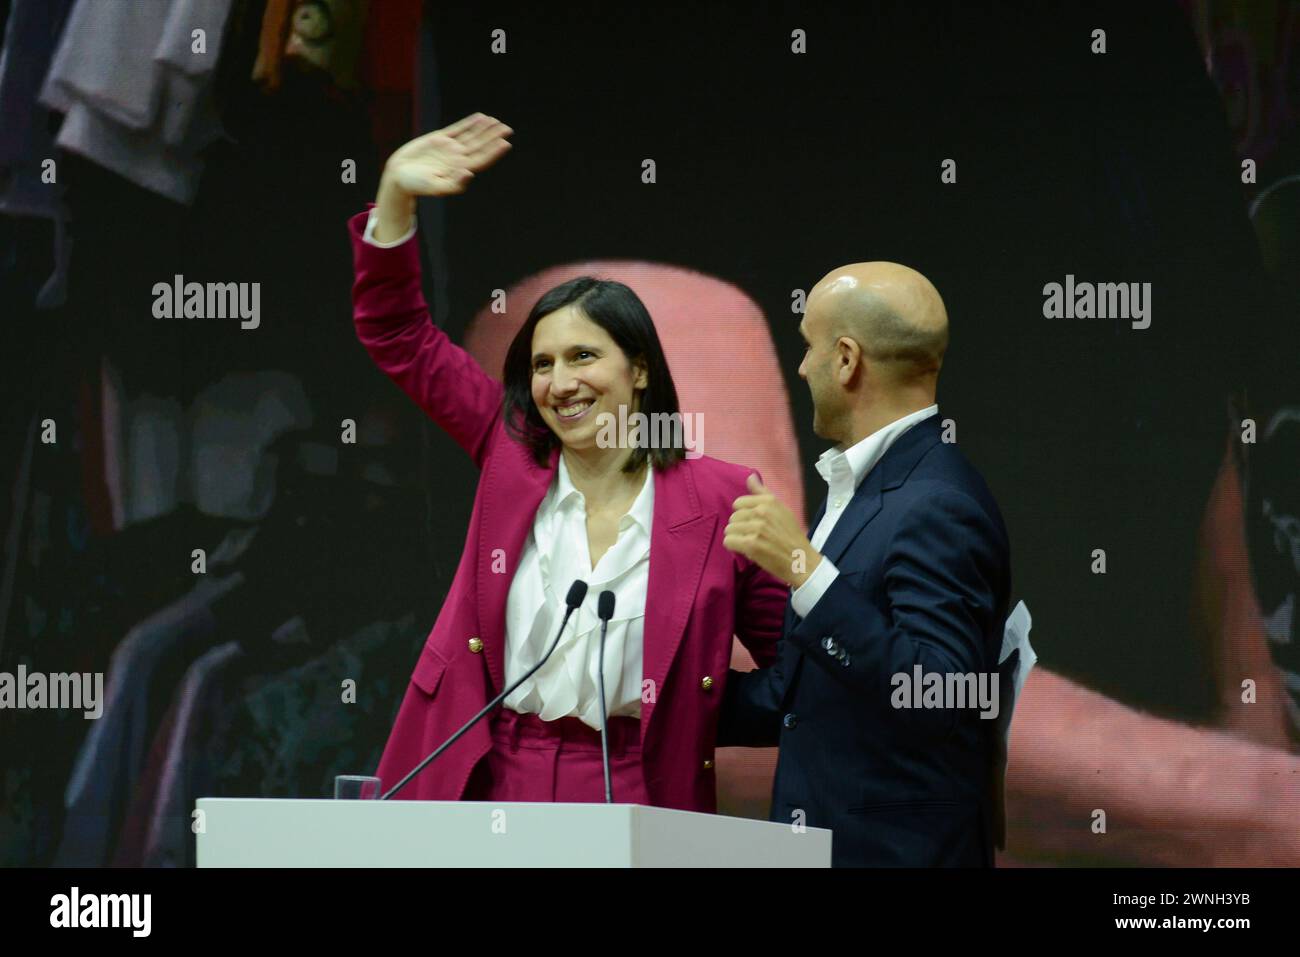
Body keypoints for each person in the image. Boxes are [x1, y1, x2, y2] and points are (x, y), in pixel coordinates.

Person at [352, 113, 787, 810]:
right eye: (543, 364)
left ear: (639, 368)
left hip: (641, 782)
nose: (560, 382)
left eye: (583, 356)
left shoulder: (725, 498)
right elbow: (397, 331)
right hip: (493, 773)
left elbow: (795, 677)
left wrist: (692, 698)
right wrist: (396, 198)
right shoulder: (510, 444)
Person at [719, 261, 1011, 866]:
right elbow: (801, 696)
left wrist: (804, 570)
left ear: (847, 359)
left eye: (807, 347)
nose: (801, 367)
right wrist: (654, 695)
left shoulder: (938, 502)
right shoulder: (862, 488)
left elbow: (940, 694)